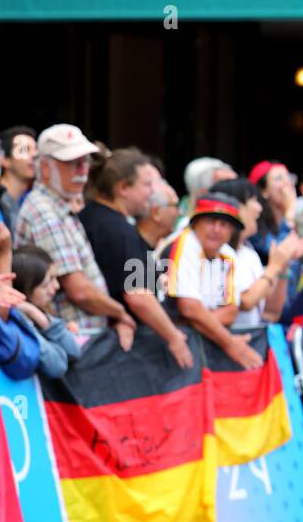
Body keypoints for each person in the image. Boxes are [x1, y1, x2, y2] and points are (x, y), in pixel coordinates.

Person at [14, 124, 138, 341]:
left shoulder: (59, 206)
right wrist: (121, 314)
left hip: (80, 335)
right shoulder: (45, 212)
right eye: (72, 163)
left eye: (84, 162)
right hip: (73, 339)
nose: (82, 171)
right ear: (45, 168)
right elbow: (78, 290)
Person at [79, 147, 193, 367]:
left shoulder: (93, 217)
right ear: (123, 188)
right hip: (120, 355)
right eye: (147, 185)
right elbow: (137, 295)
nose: (152, 193)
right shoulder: (118, 230)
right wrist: (173, 337)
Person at [157, 192, 262, 369]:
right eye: (210, 221)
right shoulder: (185, 242)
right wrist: (229, 343)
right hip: (161, 345)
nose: (216, 230)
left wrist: (196, 323)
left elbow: (230, 311)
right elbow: (189, 307)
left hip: (186, 340)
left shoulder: (227, 254)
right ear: (195, 223)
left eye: (224, 224)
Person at [210, 177, 303, 328]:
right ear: (236, 207)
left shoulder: (249, 252)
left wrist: (283, 265)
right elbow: (245, 301)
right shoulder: (216, 252)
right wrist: (274, 266)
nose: (259, 208)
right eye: (253, 201)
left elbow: (271, 313)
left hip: (255, 337)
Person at [9, 245, 81, 377]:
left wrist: (45, 321)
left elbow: (74, 352)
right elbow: (57, 366)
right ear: (27, 288)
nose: (56, 286)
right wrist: (34, 313)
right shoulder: (16, 320)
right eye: (47, 283)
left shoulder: (39, 313)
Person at [137, 179, 180, 251]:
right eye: (175, 206)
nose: (179, 213)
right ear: (156, 213)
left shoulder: (157, 249)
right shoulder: (128, 249)